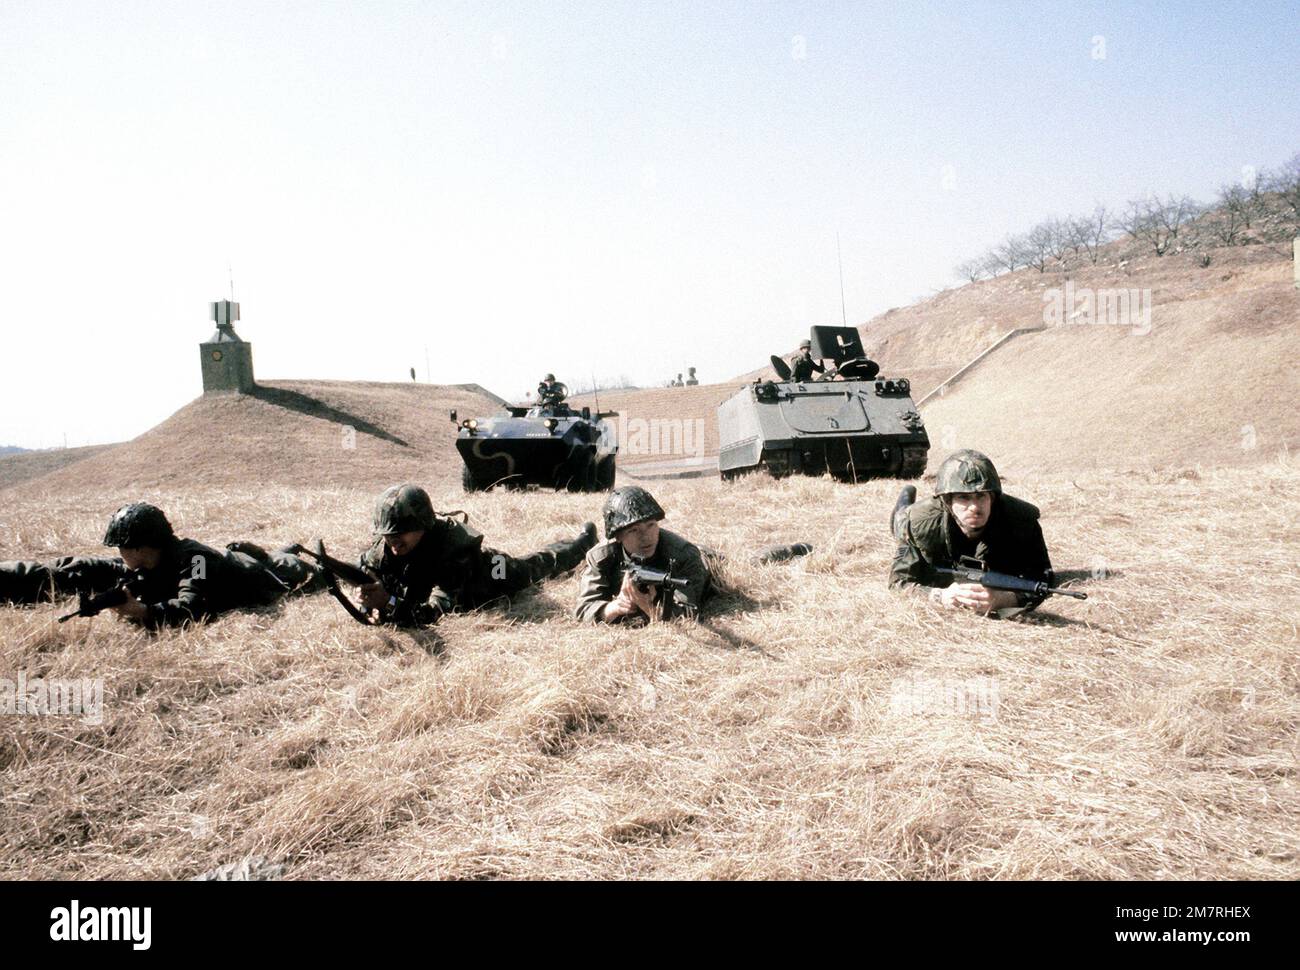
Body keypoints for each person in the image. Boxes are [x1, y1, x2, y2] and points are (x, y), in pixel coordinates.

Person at [0, 503, 321, 628]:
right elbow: (79, 569)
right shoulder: (149, 561)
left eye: (122, 547)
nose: (119, 554)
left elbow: (192, 609)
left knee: (310, 571)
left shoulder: (195, 560)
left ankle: (296, 552)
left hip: (271, 572)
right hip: (231, 563)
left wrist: (141, 612)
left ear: (139, 548)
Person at [356, 483, 596, 626]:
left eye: (403, 532)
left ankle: (582, 544)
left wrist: (388, 602)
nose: (393, 542)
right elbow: (363, 568)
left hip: (491, 572)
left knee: (535, 565)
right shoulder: (387, 544)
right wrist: (368, 603)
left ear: (424, 525)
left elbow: (432, 615)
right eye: (388, 535)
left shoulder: (453, 552)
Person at [889, 450, 1054, 618]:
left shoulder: (1021, 521)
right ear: (948, 501)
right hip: (910, 520)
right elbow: (898, 583)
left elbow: (1043, 577)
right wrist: (939, 595)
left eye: (981, 496)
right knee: (901, 519)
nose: (975, 507)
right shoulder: (918, 524)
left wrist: (1005, 599)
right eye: (963, 497)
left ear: (993, 497)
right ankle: (905, 498)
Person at [575, 486, 712, 624]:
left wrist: (647, 606)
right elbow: (583, 609)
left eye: (651, 525)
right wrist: (613, 608)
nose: (646, 537)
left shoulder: (683, 555)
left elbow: (687, 616)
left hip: (705, 562)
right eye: (634, 530)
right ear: (618, 536)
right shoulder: (601, 557)